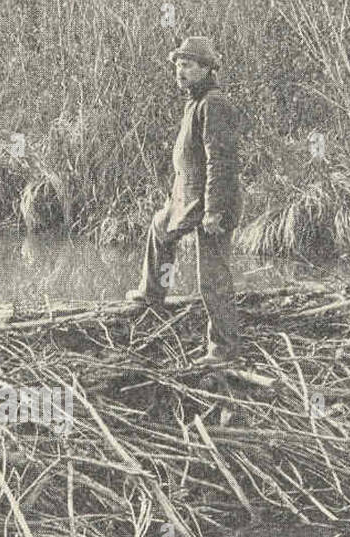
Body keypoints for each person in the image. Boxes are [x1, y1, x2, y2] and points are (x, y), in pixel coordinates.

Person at [126, 36, 243, 362]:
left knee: (213, 279)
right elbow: (189, 159)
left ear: (206, 69)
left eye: (188, 65)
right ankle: (153, 294)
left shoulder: (214, 103)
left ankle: (224, 349)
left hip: (212, 203)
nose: (180, 70)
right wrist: (176, 196)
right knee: (161, 228)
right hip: (188, 199)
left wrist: (215, 210)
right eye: (178, 64)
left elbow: (220, 161)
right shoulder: (194, 101)